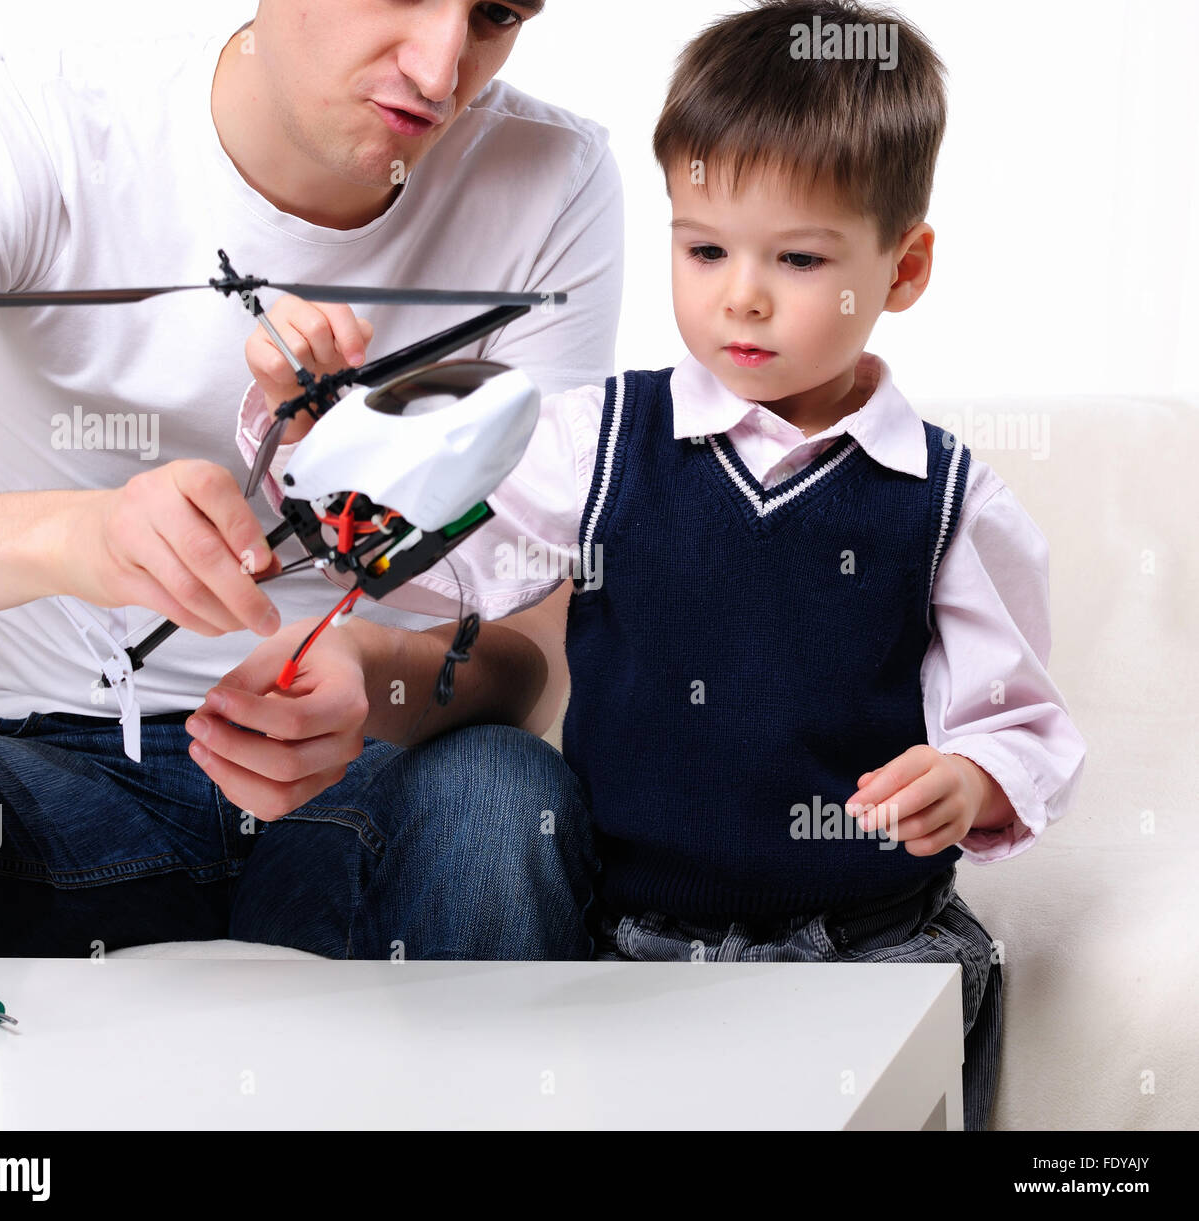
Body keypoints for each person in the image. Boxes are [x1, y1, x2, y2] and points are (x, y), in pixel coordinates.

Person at [244, 0, 1087, 1131]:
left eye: (796, 258)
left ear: (904, 267)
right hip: (633, 945)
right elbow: (444, 549)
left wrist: (972, 779)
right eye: (703, 249)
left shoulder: (947, 499)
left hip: (872, 951)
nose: (738, 294)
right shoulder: (598, 440)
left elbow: (1019, 723)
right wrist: (318, 435)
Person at [0, 0, 622, 966]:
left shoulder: (552, 179)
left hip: (366, 775)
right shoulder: (32, 131)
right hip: (58, 769)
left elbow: (534, 649)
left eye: (494, 14)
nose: (442, 69)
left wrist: (372, 673)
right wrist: (79, 539)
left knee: (502, 796)